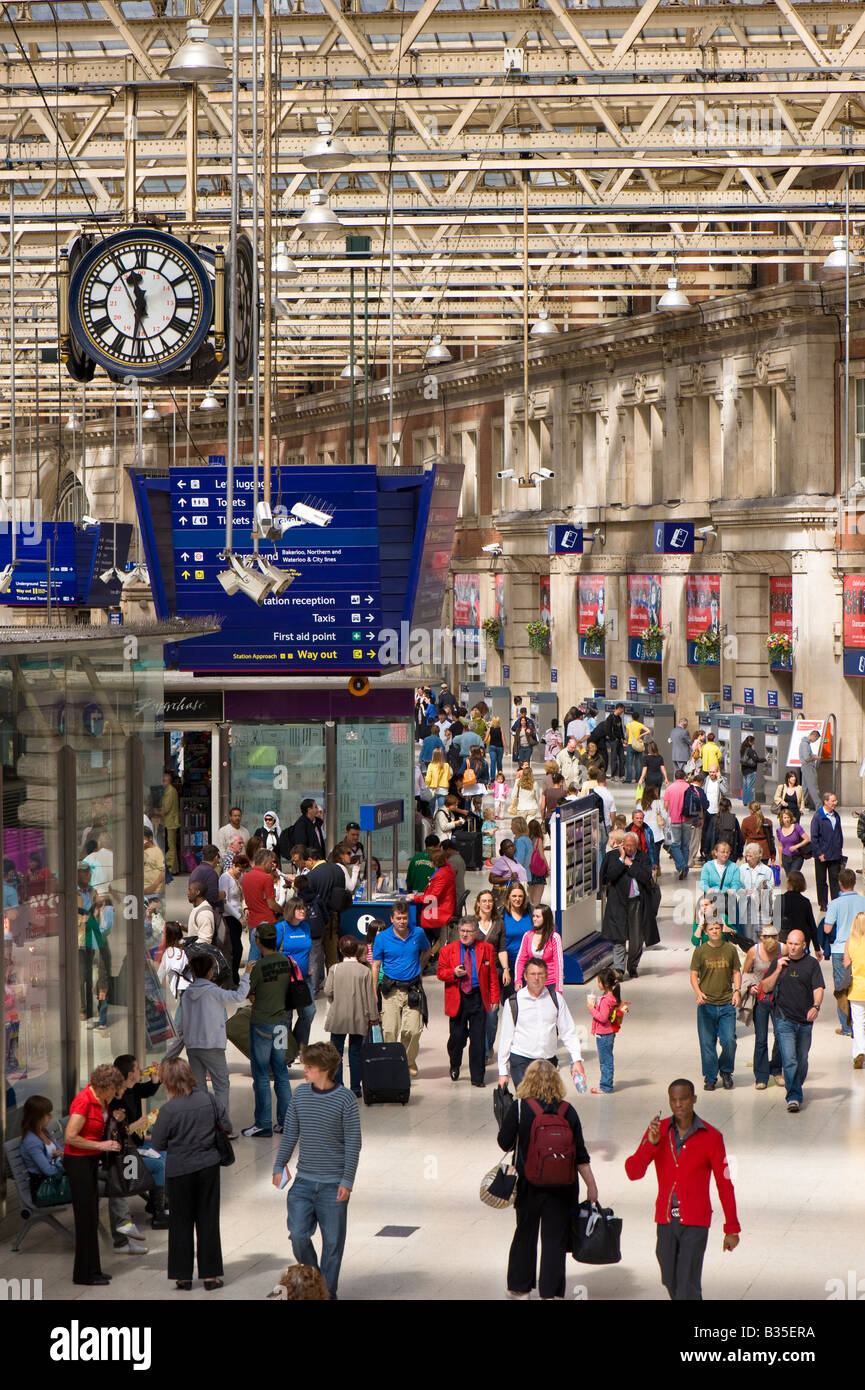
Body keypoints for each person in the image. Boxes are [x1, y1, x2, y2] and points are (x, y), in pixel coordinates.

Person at [625, 1079, 740, 1301]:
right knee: (670, 1279)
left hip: (696, 1222)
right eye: (673, 1100)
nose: (678, 1104)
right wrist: (651, 1144)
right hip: (666, 1220)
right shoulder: (658, 1132)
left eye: (684, 1098)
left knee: (687, 1283)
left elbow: (724, 1184)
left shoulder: (712, 1137)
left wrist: (731, 1227)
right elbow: (633, 1172)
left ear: (694, 1099)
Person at [497, 1059, 599, 1301]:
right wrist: (591, 1186)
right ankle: (550, 1293)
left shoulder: (520, 1107)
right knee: (555, 1239)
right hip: (563, 1187)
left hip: (527, 1185)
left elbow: (504, 1142)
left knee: (525, 1234)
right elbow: (580, 1154)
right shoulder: (568, 1110)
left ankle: (520, 1288)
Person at [272, 1041, 362, 1300]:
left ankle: (326, 1294)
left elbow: (353, 1143)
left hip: (334, 1184)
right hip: (303, 1183)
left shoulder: (345, 1099)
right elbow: (290, 1134)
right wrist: (279, 1165)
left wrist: (347, 1180)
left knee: (333, 1245)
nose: (304, 1071)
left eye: (308, 1066)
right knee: (298, 1236)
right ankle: (318, 1284)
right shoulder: (300, 1094)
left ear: (323, 1069)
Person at [150, 1057, 226, 1292]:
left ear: (167, 1082)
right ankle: (211, 1275)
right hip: (208, 1167)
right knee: (208, 1220)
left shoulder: (168, 1110)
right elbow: (228, 1126)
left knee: (180, 1222)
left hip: (179, 1170)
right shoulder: (209, 1100)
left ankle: (183, 1276)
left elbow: (159, 1143)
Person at [165, 955, 254, 1136]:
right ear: (209, 971)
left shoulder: (187, 993)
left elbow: (182, 1025)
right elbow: (239, 996)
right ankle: (222, 1126)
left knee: (198, 1088)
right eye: (212, 968)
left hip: (193, 1046)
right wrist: (246, 975)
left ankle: (202, 1125)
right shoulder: (214, 992)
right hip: (212, 1046)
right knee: (221, 1085)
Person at [63, 1063, 125, 1285]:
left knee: (92, 1216)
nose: (115, 1093)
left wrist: (114, 1119)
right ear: (104, 1085)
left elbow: (101, 1123)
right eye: (113, 1089)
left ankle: (94, 1269)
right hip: (78, 1162)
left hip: (89, 1160)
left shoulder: (102, 1099)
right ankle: (83, 1273)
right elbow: (70, 1136)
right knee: (85, 1217)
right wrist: (101, 1146)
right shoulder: (83, 1101)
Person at [497, 957, 586, 1092]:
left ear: (546, 976)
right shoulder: (514, 1002)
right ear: (525, 976)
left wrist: (577, 1060)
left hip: (547, 1061)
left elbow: (568, 1031)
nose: (536, 978)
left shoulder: (556, 999)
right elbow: (506, 1038)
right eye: (532, 974)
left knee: (547, 1105)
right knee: (528, 1104)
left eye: (540, 974)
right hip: (521, 1061)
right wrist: (503, 1072)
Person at [760, 929, 824, 1111]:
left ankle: (796, 1084)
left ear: (804, 945)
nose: (792, 947)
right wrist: (778, 968)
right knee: (790, 1060)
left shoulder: (811, 964)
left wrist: (816, 1006)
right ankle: (794, 1096)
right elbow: (765, 987)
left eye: (796, 944)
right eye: (789, 943)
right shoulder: (779, 962)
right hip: (783, 1019)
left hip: (805, 1020)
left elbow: (818, 988)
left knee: (802, 1059)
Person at [242, 922, 295, 1139]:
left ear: (257, 941)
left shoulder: (258, 967)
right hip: (282, 1023)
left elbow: (247, 991)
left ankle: (263, 1123)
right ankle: (286, 1121)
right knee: (281, 1073)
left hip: (262, 1024)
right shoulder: (286, 961)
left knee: (262, 1075)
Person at [371, 900, 430, 1078]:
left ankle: (408, 1060)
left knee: (413, 1030)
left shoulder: (418, 933)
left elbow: (426, 951)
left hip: (412, 989)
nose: (402, 921)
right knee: (389, 1030)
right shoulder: (382, 938)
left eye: (405, 918)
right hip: (391, 990)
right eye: (399, 918)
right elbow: (375, 965)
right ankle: (391, 1062)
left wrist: (420, 968)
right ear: (392, 919)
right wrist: (374, 991)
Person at [437, 918, 499, 1086]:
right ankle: (455, 1063)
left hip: (478, 997)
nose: (464, 934)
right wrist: (453, 973)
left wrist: (494, 998)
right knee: (457, 1037)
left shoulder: (486, 949)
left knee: (478, 1039)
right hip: (458, 998)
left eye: (468, 931)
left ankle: (477, 1077)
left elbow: (492, 975)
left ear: (476, 933)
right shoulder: (448, 950)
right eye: (462, 931)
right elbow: (440, 973)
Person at [112, 1054, 169, 1229]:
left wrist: (155, 1080)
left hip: (136, 1143)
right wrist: (137, 1125)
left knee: (166, 1149)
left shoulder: (132, 1088)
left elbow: (147, 1091)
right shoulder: (116, 1099)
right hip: (124, 1154)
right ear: (130, 1075)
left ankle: (157, 1200)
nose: (141, 1071)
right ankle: (158, 1213)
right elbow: (116, 1134)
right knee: (158, 1166)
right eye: (137, 1069)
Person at [690, 917, 741, 1090]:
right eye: (711, 929)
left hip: (727, 1003)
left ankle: (726, 1071)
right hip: (706, 1004)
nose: (715, 931)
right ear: (706, 932)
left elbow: (736, 972)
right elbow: (693, 974)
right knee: (707, 1042)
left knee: (729, 1041)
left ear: (722, 929)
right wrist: (698, 992)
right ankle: (710, 1076)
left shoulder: (730, 950)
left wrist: (737, 991)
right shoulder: (700, 952)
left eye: (717, 928)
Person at [325, 936, 380, 1096]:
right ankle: (356, 1088)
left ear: (340, 950)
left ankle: (338, 1085)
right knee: (356, 1053)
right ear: (356, 950)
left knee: (337, 1053)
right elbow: (370, 996)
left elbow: (328, 991)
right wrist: (373, 1017)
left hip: (339, 1017)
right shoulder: (364, 970)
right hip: (358, 1017)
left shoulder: (334, 969)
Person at [600, 831, 656, 980]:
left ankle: (632, 965)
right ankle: (618, 969)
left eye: (632, 846)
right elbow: (608, 876)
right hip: (617, 903)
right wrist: (621, 860)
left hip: (636, 902)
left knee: (636, 938)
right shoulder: (612, 857)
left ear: (637, 845)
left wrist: (630, 864)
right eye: (627, 846)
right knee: (618, 937)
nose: (629, 849)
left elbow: (645, 877)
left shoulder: (642, 858)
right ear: (622, 845)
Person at [293, 843, 346, 983]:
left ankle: (314, 986)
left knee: (315, 956)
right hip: (334, 917)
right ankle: (335, 984)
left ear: (310, 860)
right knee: (332, 955)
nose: (306, 866)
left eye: (306, 863)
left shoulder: (312, 876)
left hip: (315, 921)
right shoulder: (338, 870)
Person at [821, 867, 865, 1037]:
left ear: (839, 883)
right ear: (854, 882)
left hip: (840, 950)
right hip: (861, 948)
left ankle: (847, 1027)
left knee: (842, 988)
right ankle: (860, 1023)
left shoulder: (835, 904)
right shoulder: (862, 901)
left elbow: (827, 929)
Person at [741, 924, 784, 1088]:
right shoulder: (754, 951)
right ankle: (761, 1076)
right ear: (761, 938)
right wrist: (749, 986)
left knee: (780, 1035)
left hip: (778, 997)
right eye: (767, 937)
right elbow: (746, 971)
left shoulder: (783, 949)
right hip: (760, 997)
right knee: (761, 1039)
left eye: (774, 936)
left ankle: (776, 1069)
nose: (770, 940)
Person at [273, 899, 317, 1049]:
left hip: (304, 979)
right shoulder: (280, 928)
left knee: (309, 1012)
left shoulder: (305, 927)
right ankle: (286, 1051)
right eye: (299, 909)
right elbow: (270, 953)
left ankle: (299, 1046)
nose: (303, 911)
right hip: (285, 980)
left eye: (303, 908)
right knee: (286, 1017)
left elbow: (308, 948)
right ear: (290, 910)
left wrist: (309, 965)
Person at [474, 889, 508, 1057]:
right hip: (475, 974)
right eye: (484, 900)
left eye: (490, 901)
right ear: (478, 903)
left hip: (494, 973)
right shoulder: (472, 923)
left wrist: (506, 969)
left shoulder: (499, 923)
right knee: (478, 1013)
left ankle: (488, 1046)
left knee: (492, 1015)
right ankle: (482, 1049)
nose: (487, 904)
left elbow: (502, 949)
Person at [410, 845, 456, 956]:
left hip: (439, 910)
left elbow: (433, 896)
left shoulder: (442, 874)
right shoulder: (446, 868)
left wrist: (415, 898)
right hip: (441, 905)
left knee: (418, 924)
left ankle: (427, 952)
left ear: (434, 862)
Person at [586, 967, 626, 1095]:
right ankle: (606, 1083)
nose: (597, 984)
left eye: (599, 982)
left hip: (604, 1034)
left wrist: (591, 1008)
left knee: (605, 1061)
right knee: (606, 1059)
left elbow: (602, 1018)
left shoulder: (606, 1000)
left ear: (606, 984)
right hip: (608, 1033)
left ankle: (605, 1085)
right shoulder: (610, 998)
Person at [20, 1095, 67, 1203]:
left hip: (57, 1180)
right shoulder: (31, 1141)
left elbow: (62, 1153)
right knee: (89, 1189)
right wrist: (60, 1160)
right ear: (36, 1117)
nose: (51, 1116)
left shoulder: (44, 1131)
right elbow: (48, 1171)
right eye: (47, 1114)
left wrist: (61, 1157)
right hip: (45, 1188)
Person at [514, 904, 564, 991]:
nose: (534, 919)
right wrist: (518, 980)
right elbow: (521, 959)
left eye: (538, 916)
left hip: (550, 984)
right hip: (532, 983)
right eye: (533, 916)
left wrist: (558, 989)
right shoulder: (528, 935)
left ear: (546, 919)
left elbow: (558, 964)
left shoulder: (554, 937)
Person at [810, 790, 844, 912]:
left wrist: (840, 849)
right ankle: (823, 903)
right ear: (826, 802)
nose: (836, 802)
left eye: (835, 800)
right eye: (833, 800)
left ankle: (835, 902)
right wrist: (819, 853)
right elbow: (814, 837)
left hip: (835, 854)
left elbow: (839, 833)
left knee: (835, 880)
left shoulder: (836, 816)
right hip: (822, 855)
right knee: (821, 880)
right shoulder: (818, 817)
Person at [776, 870, 821, 956]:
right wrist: (817, 948)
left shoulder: (780, 900)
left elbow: (775, 925)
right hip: (801, 942)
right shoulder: (805, 902)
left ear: (789, 883)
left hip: (785, 942)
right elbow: (812, 926)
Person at [842, 911, 865, 1069]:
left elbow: (845, 964)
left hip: (856, 988)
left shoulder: (850, 942)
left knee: (858, 1023)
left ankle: (860, 1051)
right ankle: (859, 1052)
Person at [663, 770, 692, 878]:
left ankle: (681, 866)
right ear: (684, 777)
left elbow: (665, 806)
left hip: (674, 819)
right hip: (687, 819)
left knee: (675, 845)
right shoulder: (689, 787)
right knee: (685, 845)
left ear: (675, 777)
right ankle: (685, 869)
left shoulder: (670, 788)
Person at [776, 807, 810, 878]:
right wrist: (780, 860)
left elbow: (807, 839)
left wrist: (796, 846)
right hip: (785, 857)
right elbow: (780, 846)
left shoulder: (796, 827)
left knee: (793, 876)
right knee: (789, 877)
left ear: (791, 818)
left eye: (788, 817)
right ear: (781, 819)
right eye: (785, 818)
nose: (787, 819)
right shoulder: (779, 830)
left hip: (797, 857)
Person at [160, 772, 181, 876]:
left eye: (164, 781)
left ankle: (171, 867)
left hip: (171, 822)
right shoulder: (170, 790)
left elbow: (166, 807)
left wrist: (158, 812)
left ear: (167, 781)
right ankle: (174, 867)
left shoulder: (170, 791)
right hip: (170, 821)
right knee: (171, 845)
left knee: (171, 845)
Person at [710, 796, 743, 861]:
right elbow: (739, 837)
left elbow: (709, 835)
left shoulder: (715, 819)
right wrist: (740, 852)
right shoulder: (733, 819)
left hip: (717, 851)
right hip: (731, 852)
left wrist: (705, 849)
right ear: (729, 807)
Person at [799, 727, 822, 810]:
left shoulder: (805, 743)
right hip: (808, 767)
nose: (815, 741)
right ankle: (819, 807)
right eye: (815, 739)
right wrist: (815, 758)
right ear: (813, 736)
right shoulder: (805, 744)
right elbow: (807, 758)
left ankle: (800, 806)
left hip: (805, 767)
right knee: (813, 788)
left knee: (804, 788)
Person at [186, 877, 215, 944]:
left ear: (197, 892)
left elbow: (205, 940)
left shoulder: (204, 914)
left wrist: (188, 949)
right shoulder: (198, 908)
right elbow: (197, 931)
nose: (188, 893)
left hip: (198, 953)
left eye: (190, 890)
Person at [624, 712, 650, 784]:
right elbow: (648, 731)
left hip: (630, 744)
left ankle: (628, 779)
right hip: (638, 745)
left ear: (632, 717)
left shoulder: (628, 725)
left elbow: (627, 735)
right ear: (638, 718)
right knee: (638, 762)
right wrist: (641, 735)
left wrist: (626, 740)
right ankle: (638, 778)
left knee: (629, 762)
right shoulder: (640, 725)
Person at [739, 736, 765, 807]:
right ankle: (751, 802)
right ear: (750, 742)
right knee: (751, 787)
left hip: (744, 770)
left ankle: (745, 801)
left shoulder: (743, 749)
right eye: (753, 741)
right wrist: (765, 759)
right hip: (751, 770)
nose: (754, 743)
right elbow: (756, 759)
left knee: (745, 786)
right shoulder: (750, 750)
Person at [143, 828, 166, 898]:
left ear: (150, 838)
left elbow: (163, 871)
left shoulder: (157, 852)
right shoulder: (141, 850)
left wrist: (153, 887)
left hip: (152, 892)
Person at [485, 715, 506, 781]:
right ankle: (500, 777)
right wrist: (507, 748)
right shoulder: (500, 729)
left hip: (492, 747)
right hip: (500, 747)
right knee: (499, 762)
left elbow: (485, 739)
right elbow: (503, 739)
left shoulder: (489, 729)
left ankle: (492, 778)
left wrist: (480, 742)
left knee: (493, 762)